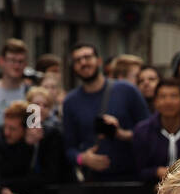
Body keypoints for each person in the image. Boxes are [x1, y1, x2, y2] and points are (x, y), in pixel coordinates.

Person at [62, 42, 148, 182]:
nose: (83, 63)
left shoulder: (127, 90)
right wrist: (83, 158)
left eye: (87, 57)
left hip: (132, 179)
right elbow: (69, 148)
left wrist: (122, 134)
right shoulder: (70, 101)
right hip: (93, 182)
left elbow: (150, 133)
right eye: (78, 60)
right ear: (73, 67)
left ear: (99, 61)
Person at [132, 76, 180, 183]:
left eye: (174, 96)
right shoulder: (142, 131)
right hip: (150, 192)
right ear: (155, 102)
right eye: (163, 97)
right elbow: (137, 170)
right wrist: (157, 171)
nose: (168, 101)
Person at [0, 38, 29, 126]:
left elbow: (34, 129)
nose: (17, 66)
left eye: (20, 61)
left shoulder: (31, 93)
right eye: (12, 60)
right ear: (1, 61)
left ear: (25, 64)